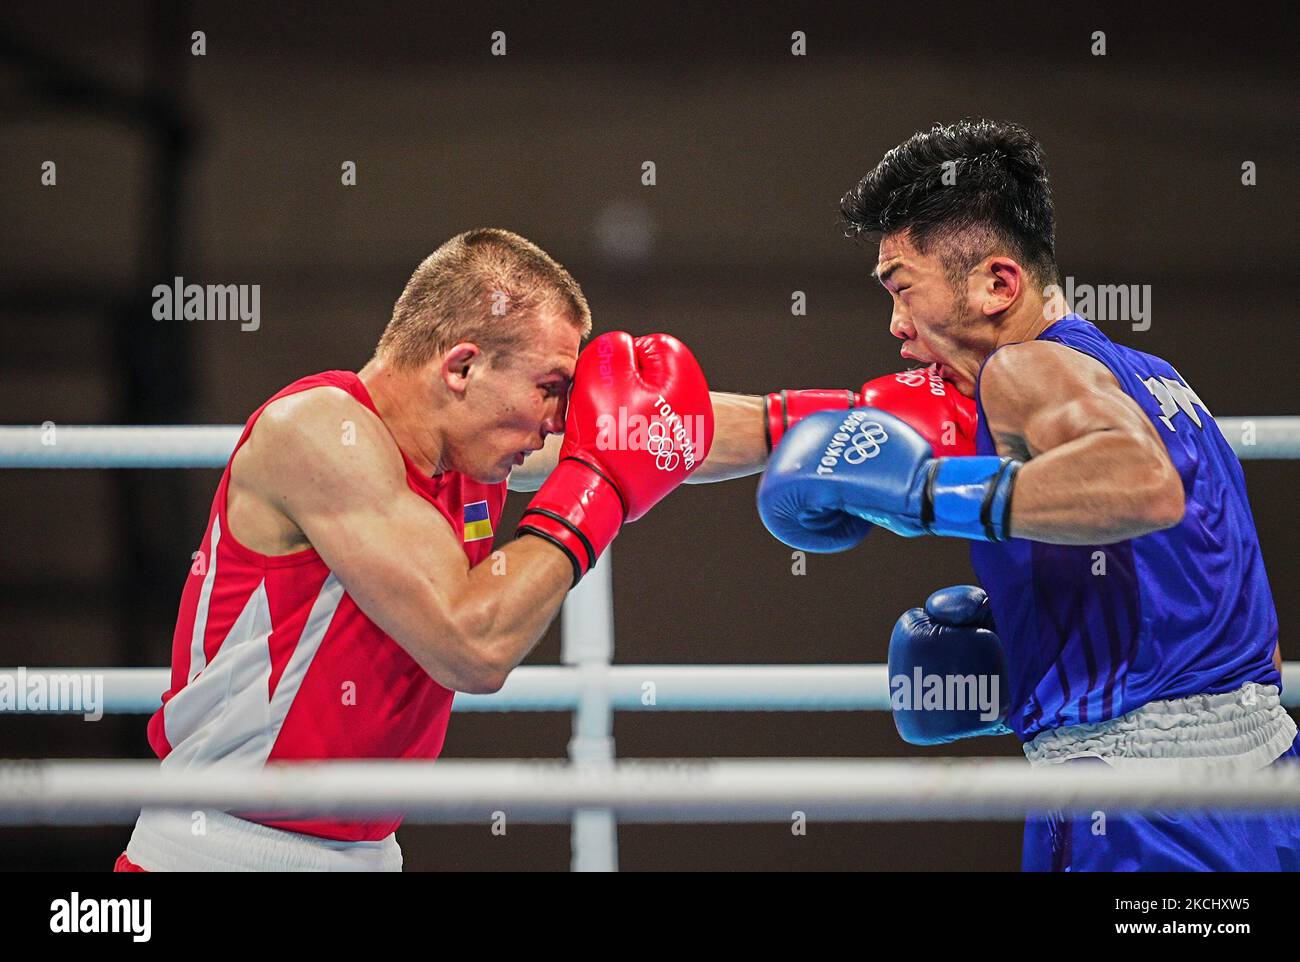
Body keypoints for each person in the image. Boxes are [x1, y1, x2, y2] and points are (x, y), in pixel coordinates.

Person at [758, 119, 1298, 871]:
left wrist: (922, 492)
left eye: (903, 289)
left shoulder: (1021, 371)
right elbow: (1247, 637)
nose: (897, 327)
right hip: (1268, 789)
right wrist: (1047, 656)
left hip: (1138, 813)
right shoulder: (1156, 378)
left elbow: (1142, 488)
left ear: (997, 284)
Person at [117, 228, 717, 871]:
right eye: (551, 387)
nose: (560, 421)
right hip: (223, 855)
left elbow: (658, 423)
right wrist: (596, 490)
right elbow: (473, 648)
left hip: (366, 855)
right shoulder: (320, 433)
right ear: (461, 366)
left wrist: (815, 422)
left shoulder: (473, 446)